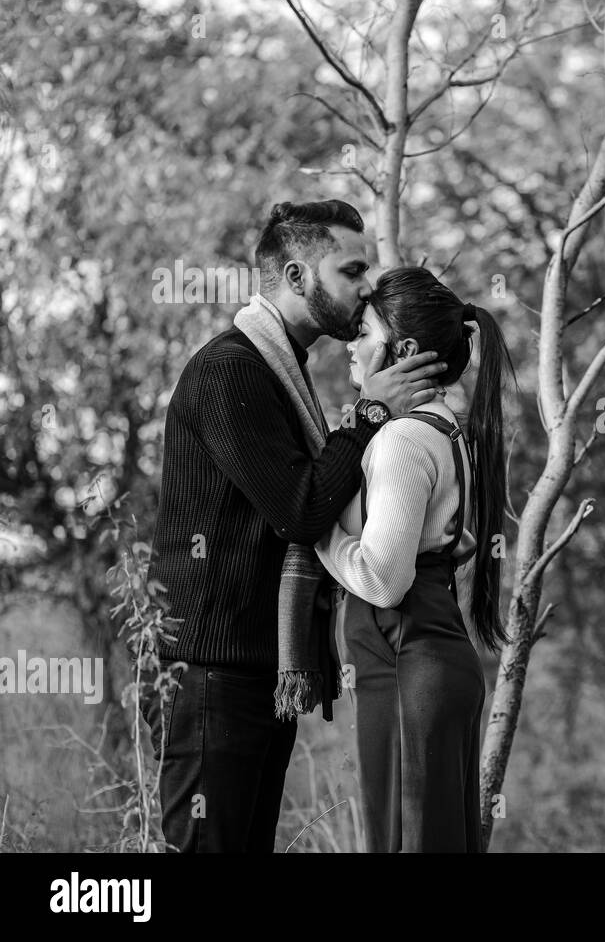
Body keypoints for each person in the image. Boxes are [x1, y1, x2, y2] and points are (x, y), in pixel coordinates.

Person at [142, 200, 448, 852]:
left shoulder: (283, 374)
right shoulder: (232, 372)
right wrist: (368, 415)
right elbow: (299, 511)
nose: (367, 285)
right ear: (296, 274)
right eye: (351, 269)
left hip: (249, 677)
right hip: (208, 678)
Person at [316, 265, 514, 852]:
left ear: (401, 352)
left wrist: (315, 531)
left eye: (364, 333)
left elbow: (382, 579)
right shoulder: (445, 430)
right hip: (426, 668)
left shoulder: (404, 441)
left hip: (411, 672)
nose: (350, 345)